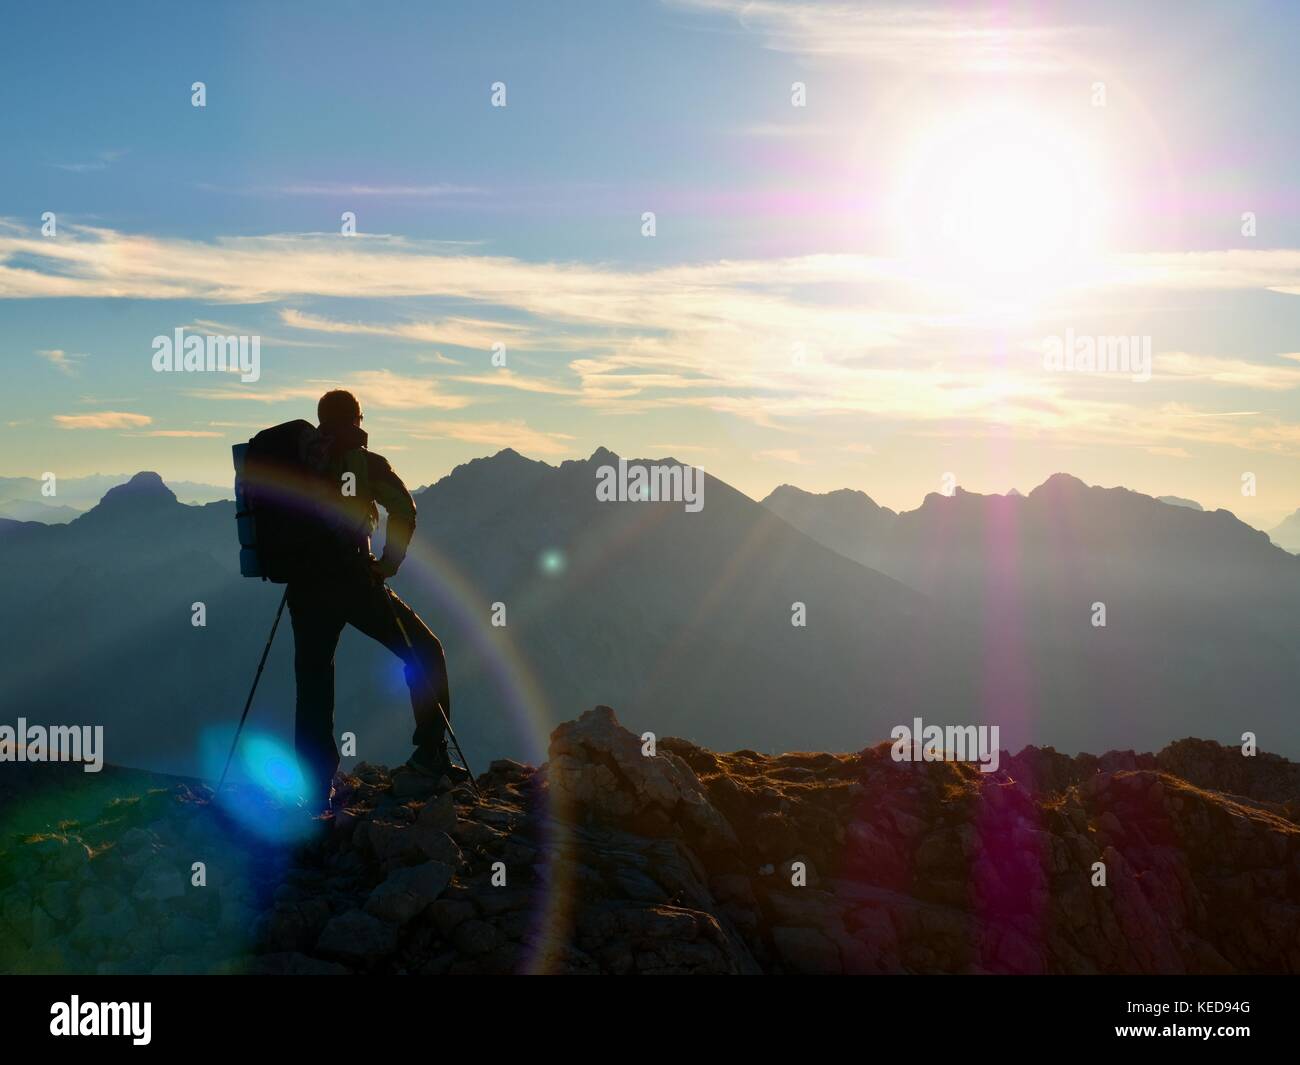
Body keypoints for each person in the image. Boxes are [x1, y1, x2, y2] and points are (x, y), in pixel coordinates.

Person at [287, 389, 465, 809]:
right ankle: (430, 757)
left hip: (304, 589)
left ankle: (314, 788)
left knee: (313, 681)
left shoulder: (297, 463)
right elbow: (404, 509)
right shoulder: (364, 463)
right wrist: (387, 564)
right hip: (354, 583)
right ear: (356, 419)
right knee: (425, 652)